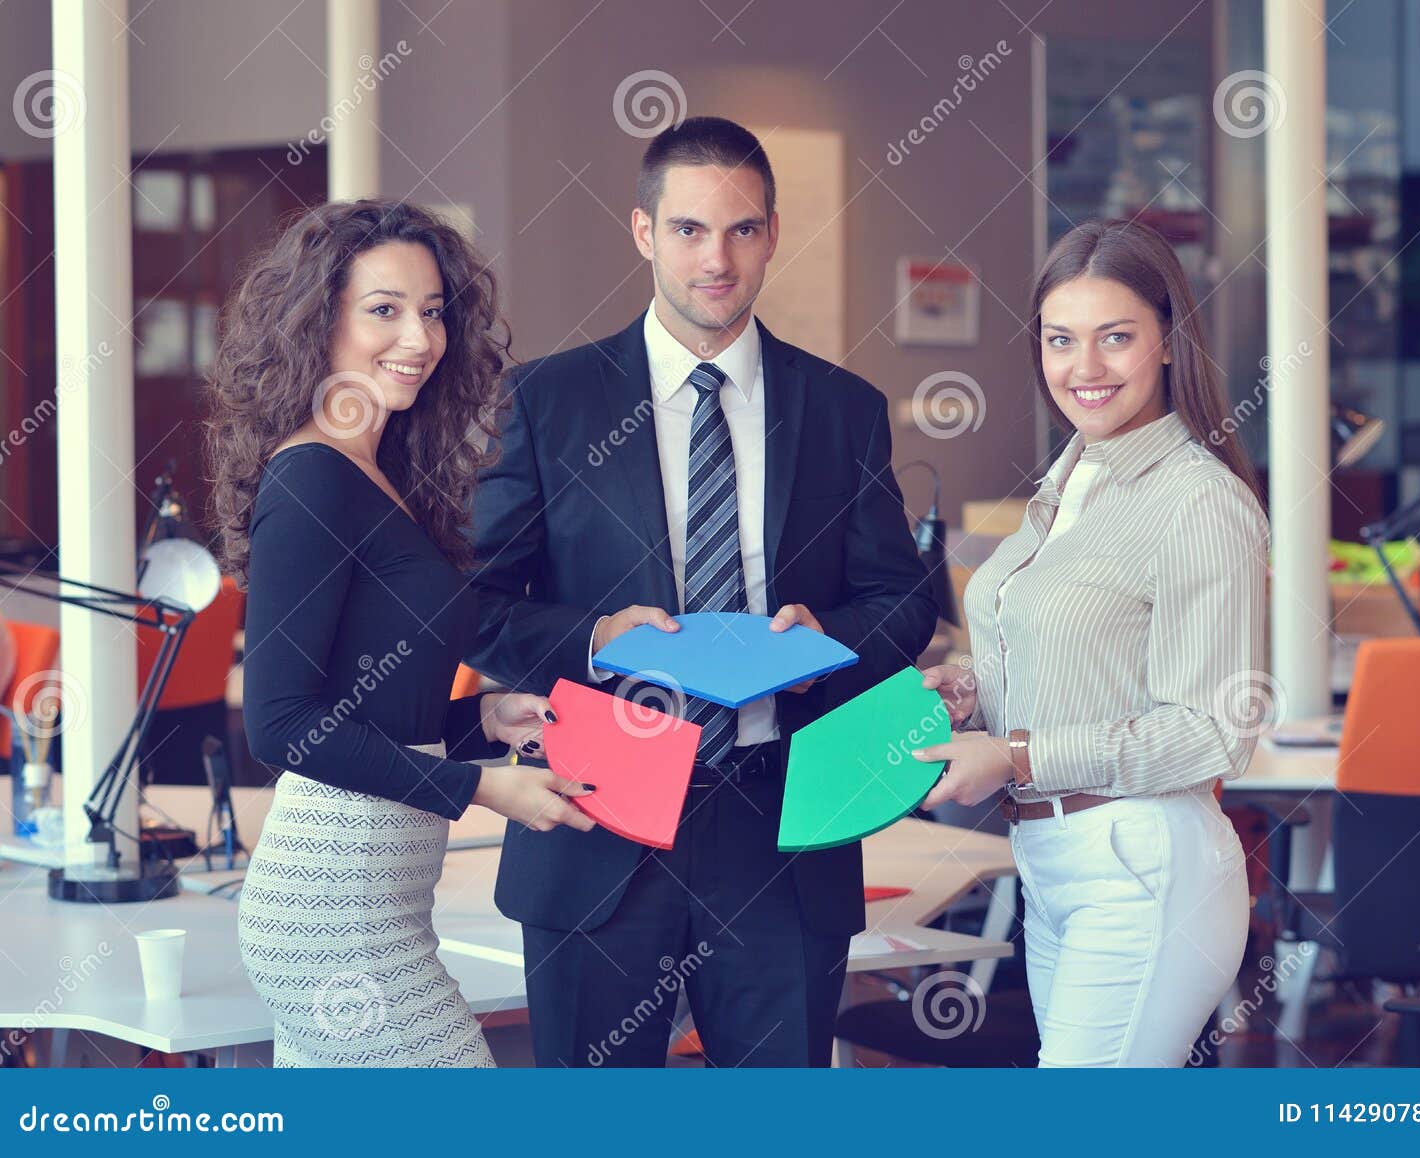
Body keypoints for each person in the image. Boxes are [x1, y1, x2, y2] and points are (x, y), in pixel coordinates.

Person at [468, 117, 937, 1067]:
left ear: (771, 233)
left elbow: (904, 599)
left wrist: (831, 642)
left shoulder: (842, 408)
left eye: (741, 230)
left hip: (779, 826)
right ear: (643, 230)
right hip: (597, 813)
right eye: (688, 229)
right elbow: (473, 602)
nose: (715, 260)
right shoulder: (548, 400)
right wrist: (593, 639)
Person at [207, 199, 596, 1068]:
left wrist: (479, 721)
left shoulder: (373, 473)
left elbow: (365, 707)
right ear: (318, 322)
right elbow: (281, 724)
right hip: (331, 915)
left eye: (432, 311)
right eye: (383, 309)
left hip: (376, 902)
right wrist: (482, 786)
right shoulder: (312, 480)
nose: (418, 339)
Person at [916, 218, 1268, 1067]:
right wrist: (974, 687)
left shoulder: (1197, 501)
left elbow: (1216, 732)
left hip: (1142, 864)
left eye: (1116, 337)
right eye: (1060, 340)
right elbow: (1079, 658)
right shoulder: (1071, 480)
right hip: (1051, 860)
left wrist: (1015, 754)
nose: (1085, 367)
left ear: (1168, 341)